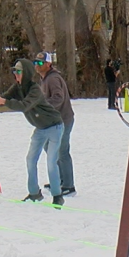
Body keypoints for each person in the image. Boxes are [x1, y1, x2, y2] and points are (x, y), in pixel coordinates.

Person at [0, 59, 65, 206]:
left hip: (54, 127)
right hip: (40, 129)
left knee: (51, 162)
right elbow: (3, 97)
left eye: (19, 71)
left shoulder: (35, 90)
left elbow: (24, 106)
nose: (16, 74)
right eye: (14, 71)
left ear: (26, 73)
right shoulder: (17, 87)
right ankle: (34, 193)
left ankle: (57, 196)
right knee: (30, 160)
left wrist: (4, 102)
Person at [34, 52, 75, 196]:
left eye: (40, 63)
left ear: (48, 64)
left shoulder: (53, 79)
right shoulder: (44, 79)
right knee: (50, 148)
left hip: (63, 119)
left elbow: (58, 97)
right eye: (36, 63)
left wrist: (44, 107)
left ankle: (69, 186)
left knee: (62, 151)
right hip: (52, 122)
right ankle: (58, 180)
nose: (37, 66)